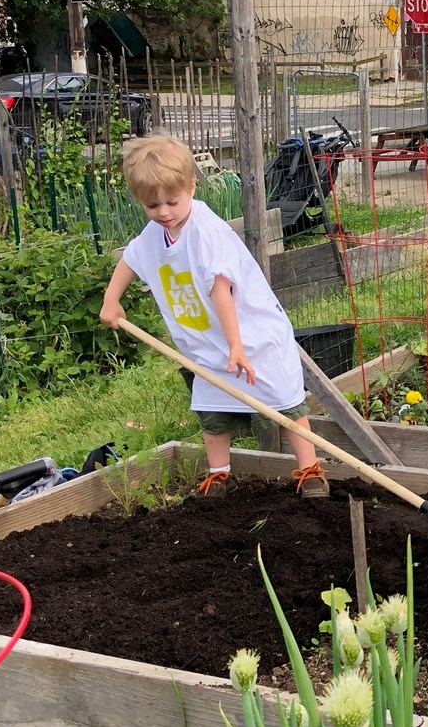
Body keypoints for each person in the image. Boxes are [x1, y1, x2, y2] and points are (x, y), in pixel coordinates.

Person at [99, 134, 327, 498]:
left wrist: (236, 346)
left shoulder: (205, 231)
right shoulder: (157, 233)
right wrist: (112, 300)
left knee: (286, 405)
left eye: (171, 202)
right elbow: (131, 258)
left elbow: (221, 290)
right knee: (213, 414)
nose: (163, 212)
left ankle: (309, 470)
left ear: (192, 186)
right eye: (152, 205)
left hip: (251, 338)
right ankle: (220, 475)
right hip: (208, 344)